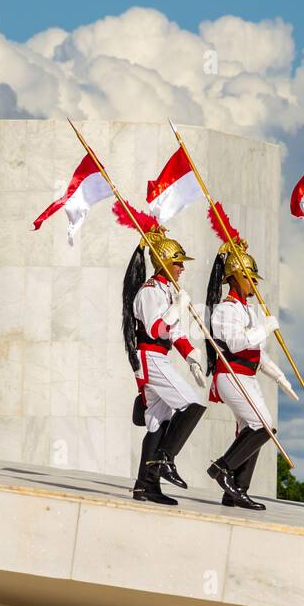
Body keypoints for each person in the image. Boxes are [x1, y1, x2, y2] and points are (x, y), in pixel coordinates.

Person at [118, 202, 207, 505]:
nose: (183, 267)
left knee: (159, 422)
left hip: (161, 356)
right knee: (192, 404)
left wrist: (192, 355)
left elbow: (176, 334)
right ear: (164, 263)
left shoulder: (168, 292)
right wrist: (178, 307)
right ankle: (165, 459)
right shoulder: (149, 291)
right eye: (179, 263)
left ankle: (146, 485)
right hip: (149, 356)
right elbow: (156, 329)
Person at [204, 232, 298, 509]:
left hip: (248, 375)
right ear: (235, 277)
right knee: (262, 427)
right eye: (249, 277)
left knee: (253, 429)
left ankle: (236, 489)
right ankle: (223, 469)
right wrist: (265, 328)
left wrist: (279, 377)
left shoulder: (250, 310)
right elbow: (236, 343)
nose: (254, 283)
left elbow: (258, 353)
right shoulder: (225, 309)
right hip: (231, 375)